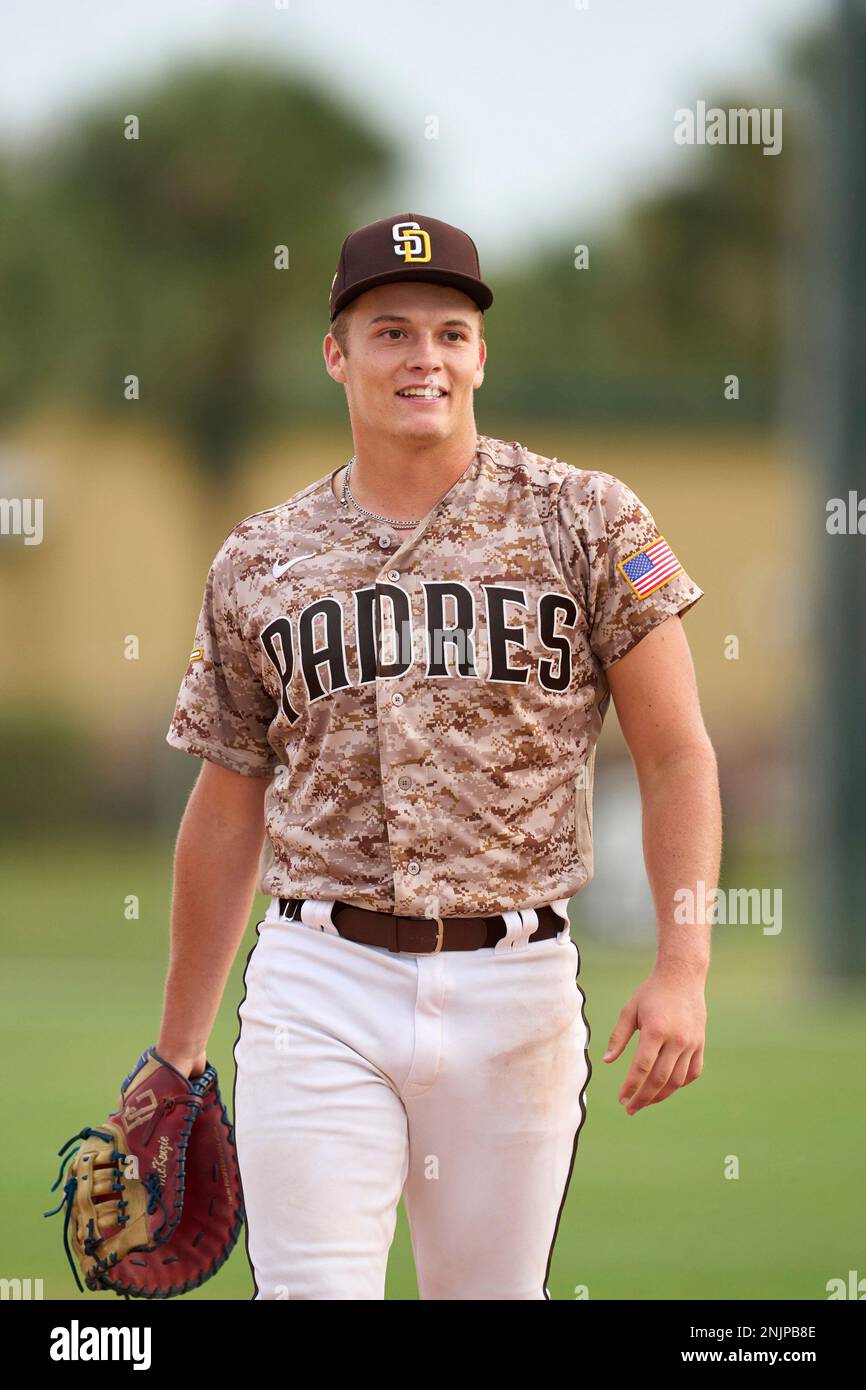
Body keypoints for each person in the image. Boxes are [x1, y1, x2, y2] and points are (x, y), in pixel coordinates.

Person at [160, 213, 721, 1300]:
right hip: (320, 977)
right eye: (390, 331)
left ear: (479, 353)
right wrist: (178, 1053)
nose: (425, 357)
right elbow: (228, 806)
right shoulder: (260, 557)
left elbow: (676, 756)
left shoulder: (589, 520)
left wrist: (682, 968)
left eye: (450, 333)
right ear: (336, 353)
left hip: (514, 983)